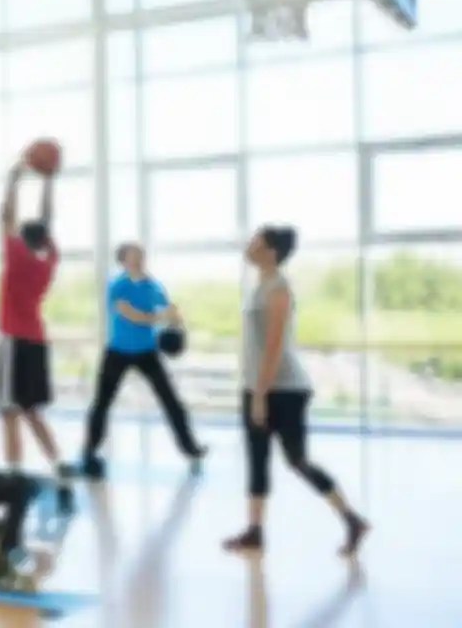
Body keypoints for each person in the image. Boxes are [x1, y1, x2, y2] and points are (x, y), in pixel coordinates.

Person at [223, 226, 369, 557]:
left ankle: (352, 520)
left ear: (271, 252)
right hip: (255, 386)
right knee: (257, 460)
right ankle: (254, 531)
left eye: (255, 243)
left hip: (284, 389)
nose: (248, 247)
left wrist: (261, 395)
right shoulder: (259, 286)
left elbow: (275, 347)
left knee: (297, 461)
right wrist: (253, 390)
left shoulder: (279, 290)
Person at [80, 243, 206, 478]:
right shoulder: (118, 286)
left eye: (141, 255)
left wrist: (176, 321)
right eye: (133, 256)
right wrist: (162, 315)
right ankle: (88, 453)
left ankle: (191, 449)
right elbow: (132, 316)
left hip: (147, 352)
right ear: (123, 260)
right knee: (102, 404)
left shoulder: (153, 285)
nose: (139, 259)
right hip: (117, 352)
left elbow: (170, 312)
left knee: (171, 401)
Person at [0, 158, 74, 510]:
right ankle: (59, 466)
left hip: (14, 341)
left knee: (10, 412)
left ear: (21, 241)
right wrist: (47, 182)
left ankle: (13, 475)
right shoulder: (47, 263)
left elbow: (5, 216)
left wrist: (14, 179)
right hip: (37, 343)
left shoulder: (17, 258)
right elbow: (47, 221)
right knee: (31, 412)